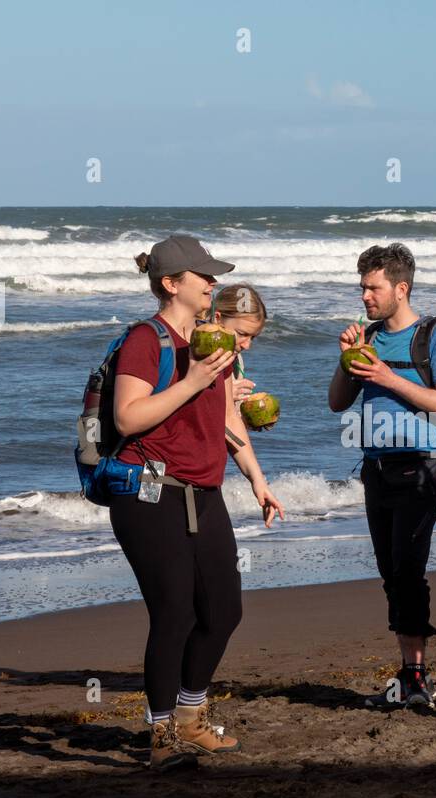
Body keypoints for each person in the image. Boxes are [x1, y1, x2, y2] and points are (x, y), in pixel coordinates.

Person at [111, 235, 284, 769]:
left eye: (213, 277)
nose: (212, 284)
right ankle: (160, 734)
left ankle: (190, 717)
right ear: (171, 284)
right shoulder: (148, 339)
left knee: (223, 610)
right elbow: (127, 418)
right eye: (203, 276)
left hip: (203, 495)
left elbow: (227, 423)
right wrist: (192, 380)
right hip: (150, 492)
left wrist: (257, 478)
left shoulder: (216, 345)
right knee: (174, 614)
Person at [328, 243, 436, 708]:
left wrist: (387, 377)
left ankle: (416, 677)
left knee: (408, 570)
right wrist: (349, 357)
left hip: (423, 468)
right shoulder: (368, 335)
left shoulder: (435, 336)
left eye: (373, 287)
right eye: (362, 287)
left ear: (400, 289)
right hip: (376, 469)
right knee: (390, 572)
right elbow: (337, 401)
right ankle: (409, 676)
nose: (364, 295)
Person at [205, 283, 268, 406]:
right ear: (217, 318)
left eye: (253, 337)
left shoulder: (235, 357)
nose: (247, 346)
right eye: (241, 334)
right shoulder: (195, 354)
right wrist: (222, 395)